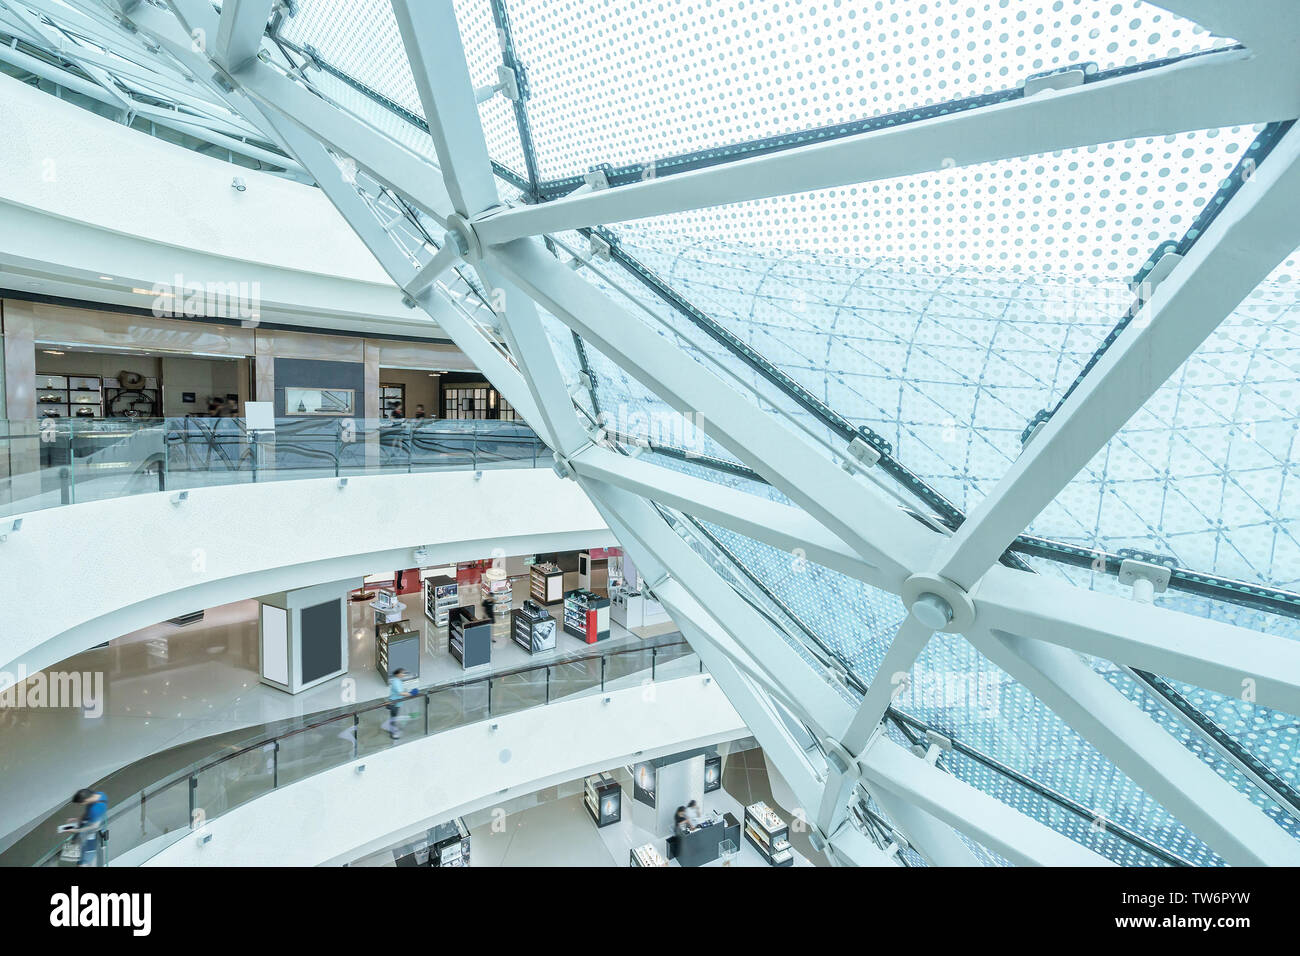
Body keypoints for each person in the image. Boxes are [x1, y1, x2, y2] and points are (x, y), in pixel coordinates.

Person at [68, 789, 107, 867]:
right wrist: (78, 818)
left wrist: (77, 831)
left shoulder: (95, 809)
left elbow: (94, 826)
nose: (80, 805)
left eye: (80, 803)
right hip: (89, 827)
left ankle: (82, 863)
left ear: (85, 800)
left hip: (91, 833)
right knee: (85, 854)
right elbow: (87, 811)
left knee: (86, 857)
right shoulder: (100, 794)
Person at [383, 667, 417, 740]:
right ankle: (393, 733)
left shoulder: (398, 681)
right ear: (398, 674)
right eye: (402, 673)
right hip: (394, 703)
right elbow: (400, 693)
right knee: (394, 719)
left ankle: (392, 730)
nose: (403, 674)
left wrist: (408, 692)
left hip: (397, 703)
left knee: (394, 718)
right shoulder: (396, 682)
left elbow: (401, 691)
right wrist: (411, 693)